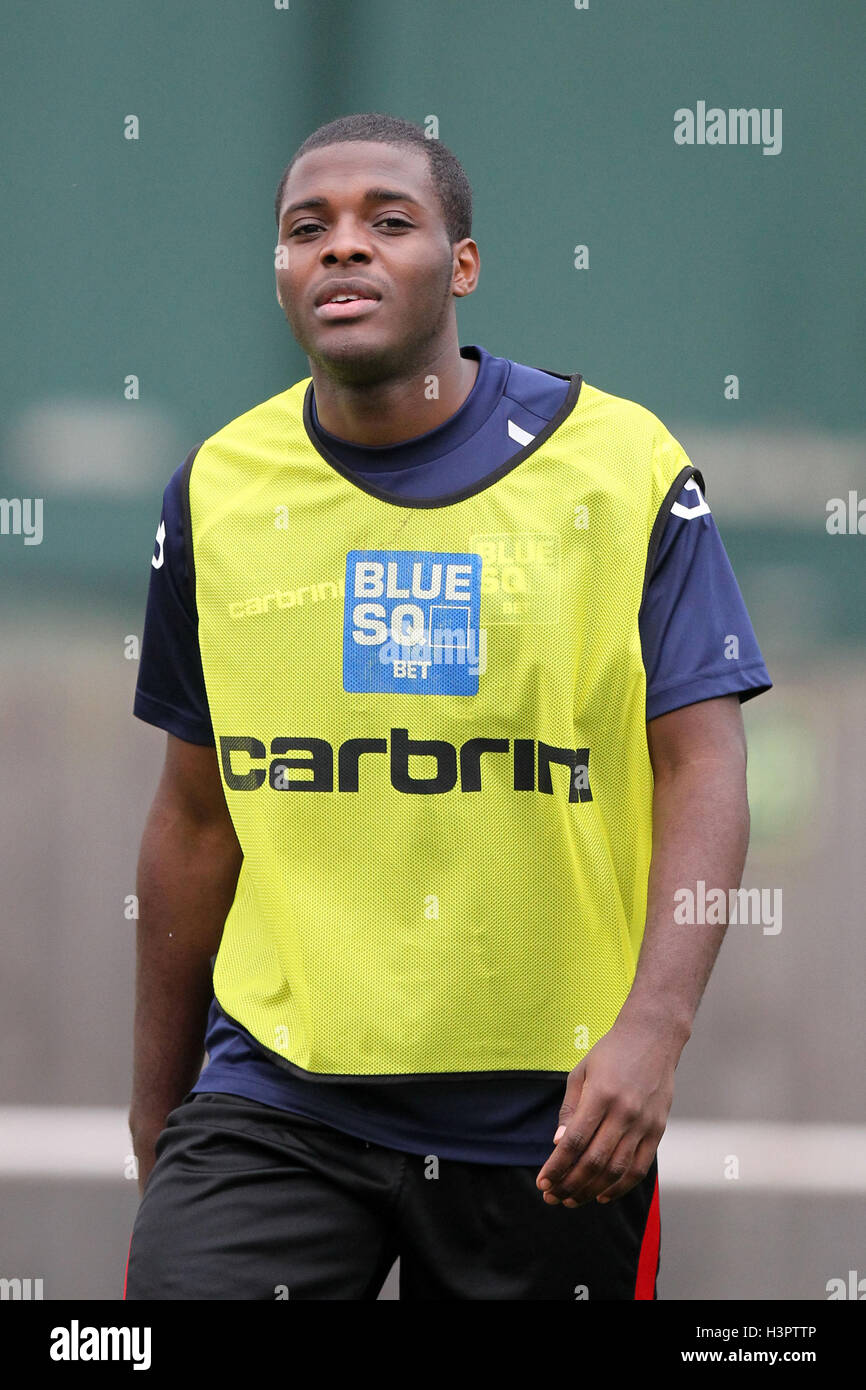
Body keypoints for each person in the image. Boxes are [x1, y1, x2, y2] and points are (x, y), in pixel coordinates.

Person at [124, 112, 771, 1301]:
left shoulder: (620, 468)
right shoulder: (217, 490)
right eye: (306, 230)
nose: (341, 249)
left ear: (461, 265)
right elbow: (193, 819)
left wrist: (653, 1029)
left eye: (387, 221)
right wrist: (160, 1116)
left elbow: (701, 766)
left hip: (551, 1122)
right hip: (276, 1098)